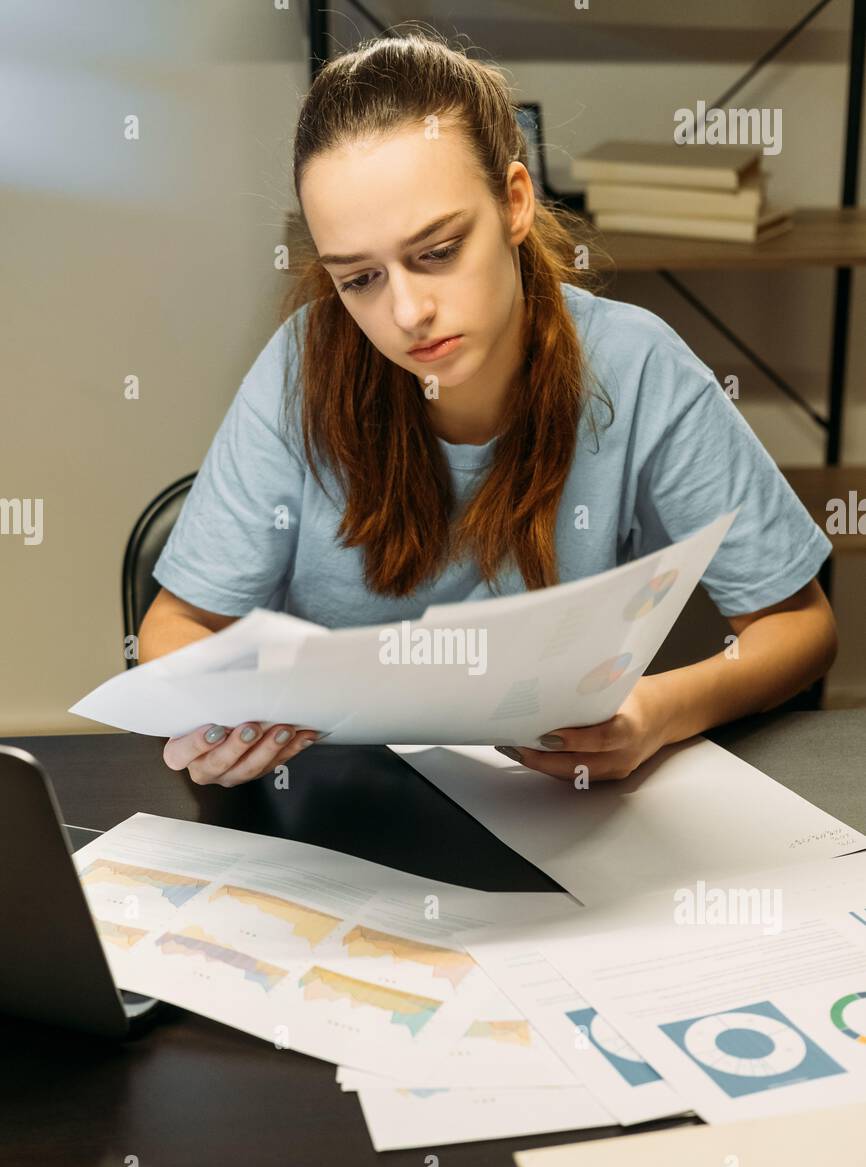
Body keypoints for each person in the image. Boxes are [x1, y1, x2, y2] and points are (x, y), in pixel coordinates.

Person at [140, 30, 837, 789]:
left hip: (555, 804)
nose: (408, 312)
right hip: (339, 804)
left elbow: (797, 624)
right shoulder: (303, 363)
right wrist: (216, 718)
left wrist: (653, 715)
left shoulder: (636, 366)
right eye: (360, 279)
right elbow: (178, 625)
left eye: (437, 252)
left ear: (513, 201)